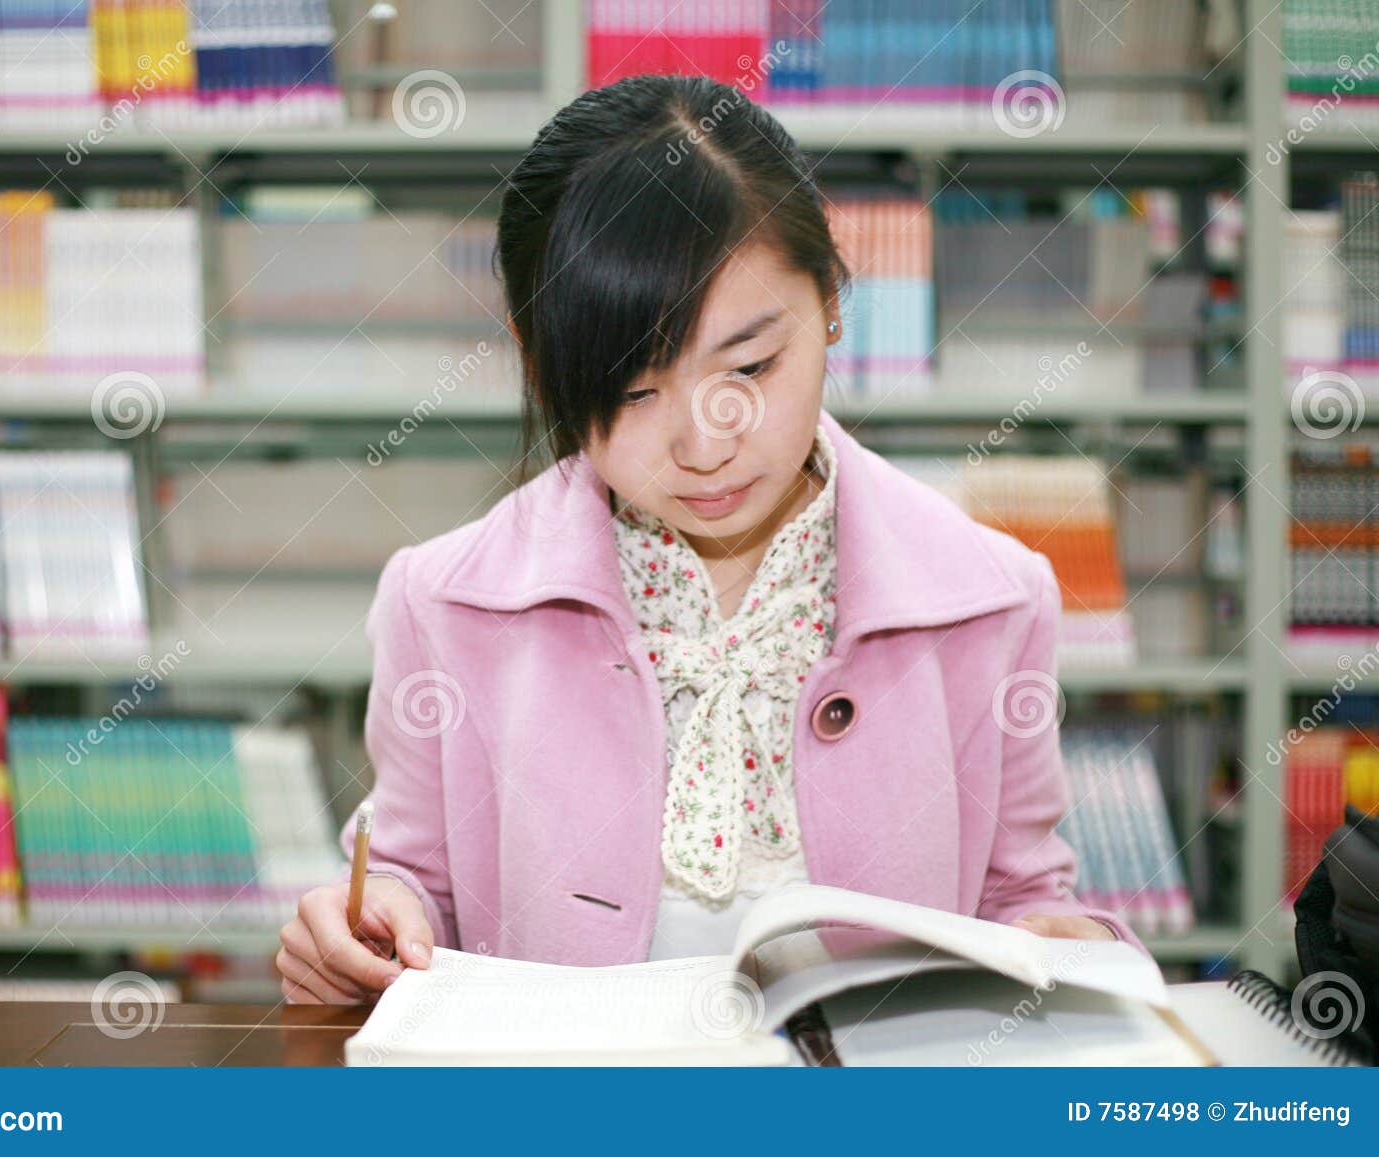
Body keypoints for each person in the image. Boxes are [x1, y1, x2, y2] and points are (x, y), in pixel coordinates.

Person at [277, 74, 1141, 1006]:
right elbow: (414, 883)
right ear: (543, 365)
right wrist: (370, 923)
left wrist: (1073, 946)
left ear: (832, 300)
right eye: (635, 390)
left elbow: (1023, 900)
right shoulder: (441, 603)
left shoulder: (995, 599)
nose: (703, 444)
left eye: (752, 366)